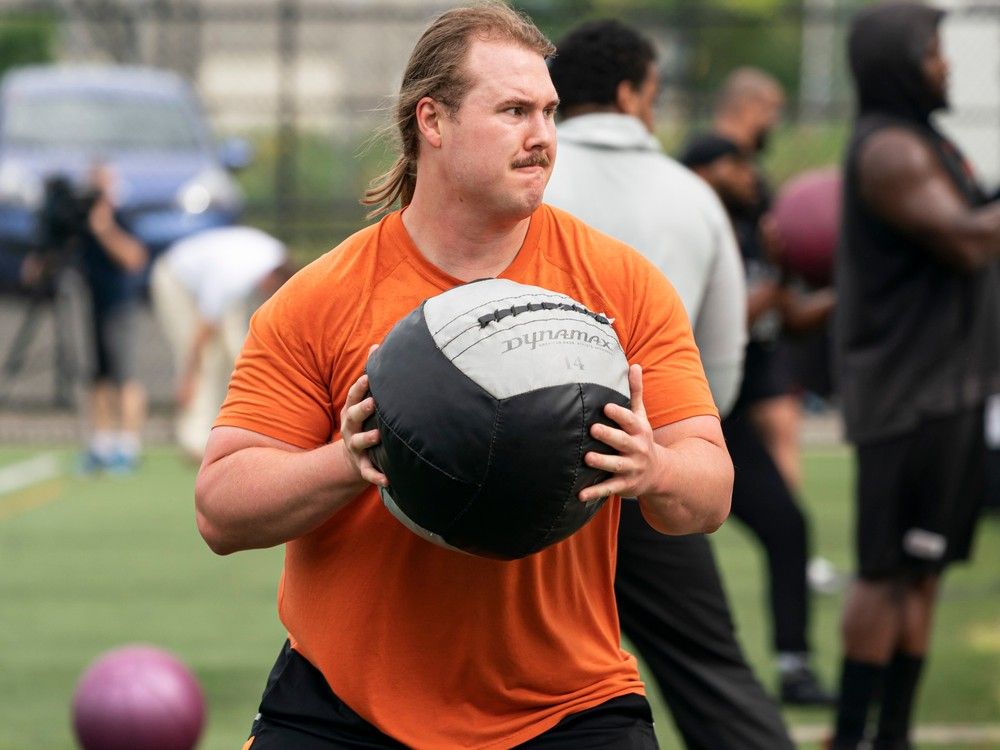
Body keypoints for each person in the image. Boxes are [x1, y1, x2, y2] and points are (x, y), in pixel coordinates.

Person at [195, 4, 734, 748]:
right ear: (433, 121)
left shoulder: (621, 284)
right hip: (346, 710)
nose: (541, 135)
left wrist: (654, 466)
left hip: (565, 709)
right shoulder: (320, 299)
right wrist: (348, 460)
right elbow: (220, 510)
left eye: (548, 111)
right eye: (513, 111)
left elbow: (709, 492)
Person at [544, 20, 794, 749]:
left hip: (521, 469)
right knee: (711, 673)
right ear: (629, 94)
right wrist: (682, 442)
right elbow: (721, 358)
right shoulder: (693, 195)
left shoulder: (525, 177)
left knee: (491, 682)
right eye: (653, 94)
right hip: (646, 462)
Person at [830, 4, 1000, 748]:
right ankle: (850, 734)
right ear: (899, 62)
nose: (946, 63)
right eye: (933, 51)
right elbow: (967, 242)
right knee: (883, 574)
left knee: (923, 571)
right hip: (907, 399)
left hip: (951, 392)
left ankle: (892, 735)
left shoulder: (929, 140)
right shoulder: (890, 150)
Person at [680, 131, 836, 706]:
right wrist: (772, 290)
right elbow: (700, 324)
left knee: (787, 527)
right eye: (735, 163)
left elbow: (790, 317)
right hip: (679, 416)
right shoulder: (685, 228)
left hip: (732, 416)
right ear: (702, 170)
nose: (750, 173)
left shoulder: (752, 234)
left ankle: (794, 666)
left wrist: (843, 288)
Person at [150, 225, 292, 461]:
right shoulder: (234, 277)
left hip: (212, 282)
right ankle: (195, 441)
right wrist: (187, 378)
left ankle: (235, 430)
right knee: (207, 358)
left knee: (237, 355)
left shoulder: (275, 258)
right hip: (175, 278)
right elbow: (203, 331)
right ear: (272, 278)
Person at [75, 164, 149, 474]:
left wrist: (105, 229)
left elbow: (134, 258)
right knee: (99, 376)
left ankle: (128, 446)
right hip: (95, 304)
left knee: (125, 375)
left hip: (120, 305)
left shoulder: (121, 217)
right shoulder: (81, 220)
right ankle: (101, 444)